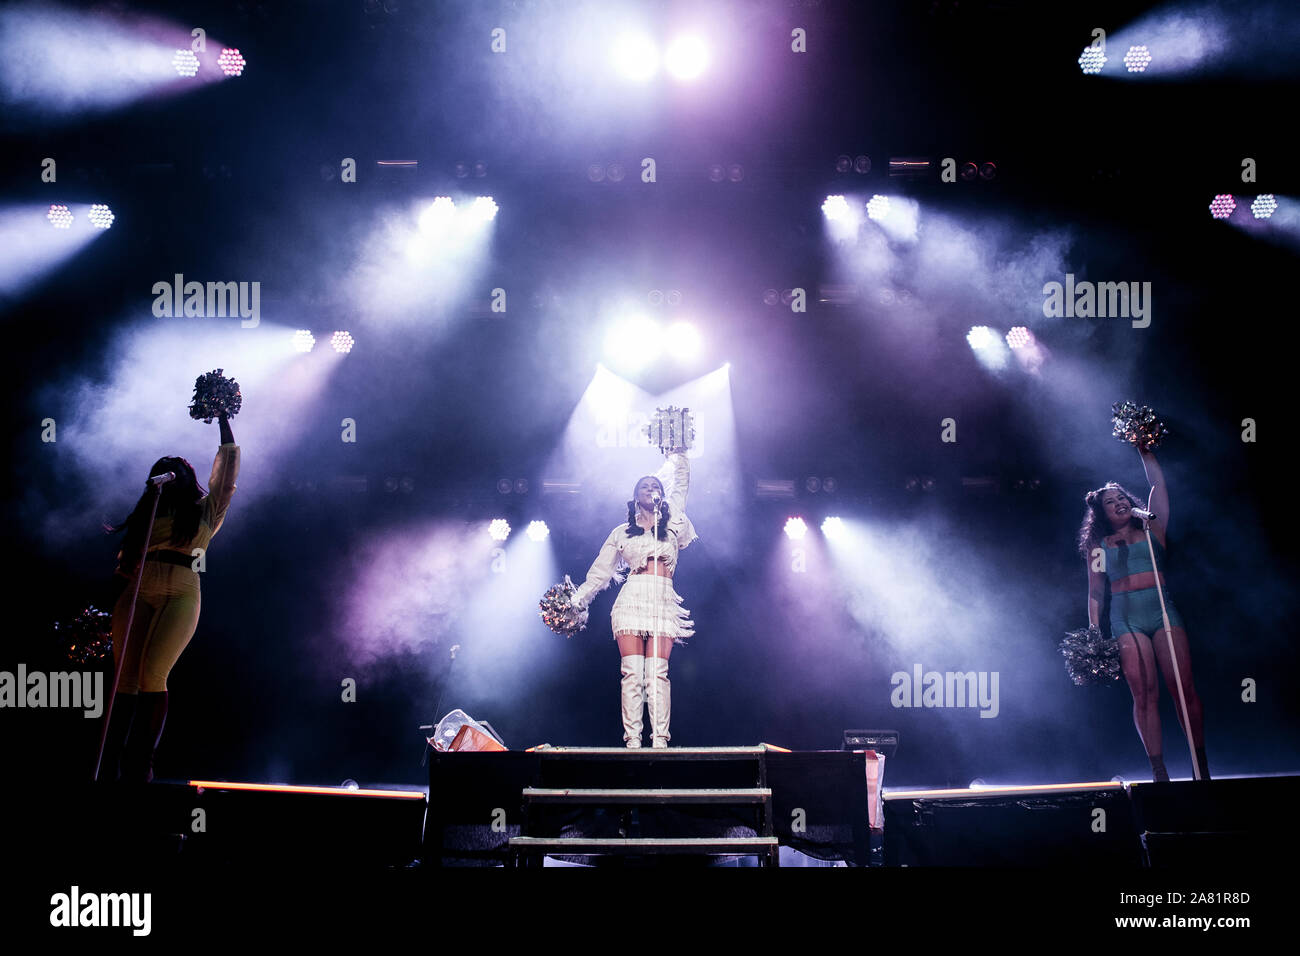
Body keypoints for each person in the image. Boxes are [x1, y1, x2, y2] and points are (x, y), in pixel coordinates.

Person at [100, 412, 240, 782]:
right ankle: (110, 761)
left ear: (187, 477)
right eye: (163, 468)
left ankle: (141, 762)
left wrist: (224, 419)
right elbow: (124, 565)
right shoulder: (148, 512)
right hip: (138, 588)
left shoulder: (206, 510)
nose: (168, 470)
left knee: (153, 673)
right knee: (124, 678)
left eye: (175, 467)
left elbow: (225, 479)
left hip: (181, 589)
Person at [1079, 443, 1208, 781]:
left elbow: (1157, 487)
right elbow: (1095, 592)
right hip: (1126, 616)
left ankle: (1200, 764)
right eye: (1111, 501)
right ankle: (1159, 770)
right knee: (1145, 691)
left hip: (1161, 607)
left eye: (1122, 497)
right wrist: (1095, 632)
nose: (1120, 502)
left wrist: (1143, 448)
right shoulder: (1099, 546)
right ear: (1102, 514)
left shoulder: (1153, 528)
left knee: (1183, 686)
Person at [570, 449, 696, 748]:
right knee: (632, 674)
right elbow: (600, 572)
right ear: (635, 496)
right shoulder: (621, 532)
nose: (652, 490)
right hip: (631, 602)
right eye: (645, 486)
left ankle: (661, 741)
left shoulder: (673, 519)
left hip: (662, 601)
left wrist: (678, 454)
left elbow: (681, 482)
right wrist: (577, 600)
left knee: (658, 674)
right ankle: (633, 742)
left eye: (656, 487)